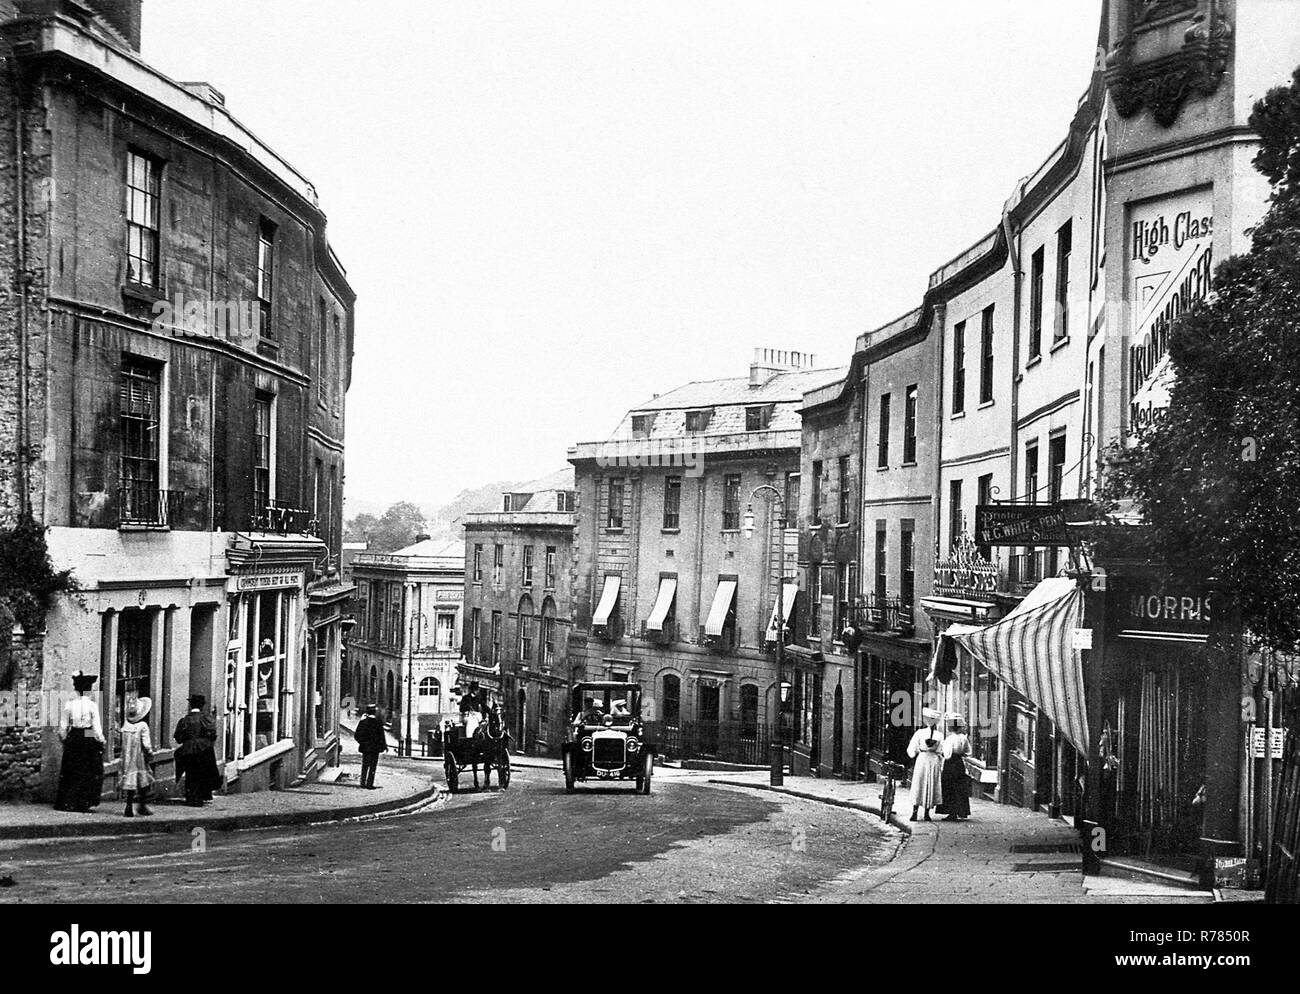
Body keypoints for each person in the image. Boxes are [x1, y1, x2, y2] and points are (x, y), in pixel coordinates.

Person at [54, 672, 105, 813]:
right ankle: (84, 802)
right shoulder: (92, 705)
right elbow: (96, 729)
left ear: (76, 689)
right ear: (88, 689)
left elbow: (62, 728)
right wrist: (101, 740)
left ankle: (69, 802)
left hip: (74, 738)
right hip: (87, 739)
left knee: (72, 770)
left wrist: (66, 740)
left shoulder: (69, 705)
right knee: (87, 771)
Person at [174, 694, 220, 806]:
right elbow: (212, 734)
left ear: (190, 705)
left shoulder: (184, 720)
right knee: (203, 772)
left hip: (188, 750)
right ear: (202, 705)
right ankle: (203, 796)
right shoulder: (206, 718)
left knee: (191, 773)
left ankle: (192, 798)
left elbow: (178, 738)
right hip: (204, 749)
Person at [119, 697, 155, 817]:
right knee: (143, 782)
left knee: (130, 782)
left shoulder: (126, 725)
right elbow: (146, 743)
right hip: (139, 758)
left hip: (127, 758)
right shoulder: (143, 726)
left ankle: (128, 806)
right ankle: (142, 805)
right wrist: (150, 753)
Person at [907, 709, 944, 822]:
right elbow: (941, 750)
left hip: (925, 759)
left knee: (923, 783)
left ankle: (921, 812)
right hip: (929, 759)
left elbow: (912, 749)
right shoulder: (937, 735)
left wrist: (913, 754)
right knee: (925, 783)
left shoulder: (922, 733)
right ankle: (921, 812)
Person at [940, 716, 972, 821]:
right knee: (959, 787)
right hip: (959, 763)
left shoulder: (949, 739)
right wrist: (961, 753)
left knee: (949, 786)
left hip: (950, 764)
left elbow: (947, 754)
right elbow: (968, 752)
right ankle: (960, 811)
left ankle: (951, 812)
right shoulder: (963, 738)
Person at [354, 705, 388, 789]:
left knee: (365, 765)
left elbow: (357, 735)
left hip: (365, 748)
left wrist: (362, 743)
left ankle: (362, 783)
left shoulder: (363, 722)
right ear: (374, 712)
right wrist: (384, 746)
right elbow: (381, 736)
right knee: (373, 766)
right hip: (375, 749)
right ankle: (369, 784)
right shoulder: (378, 722)